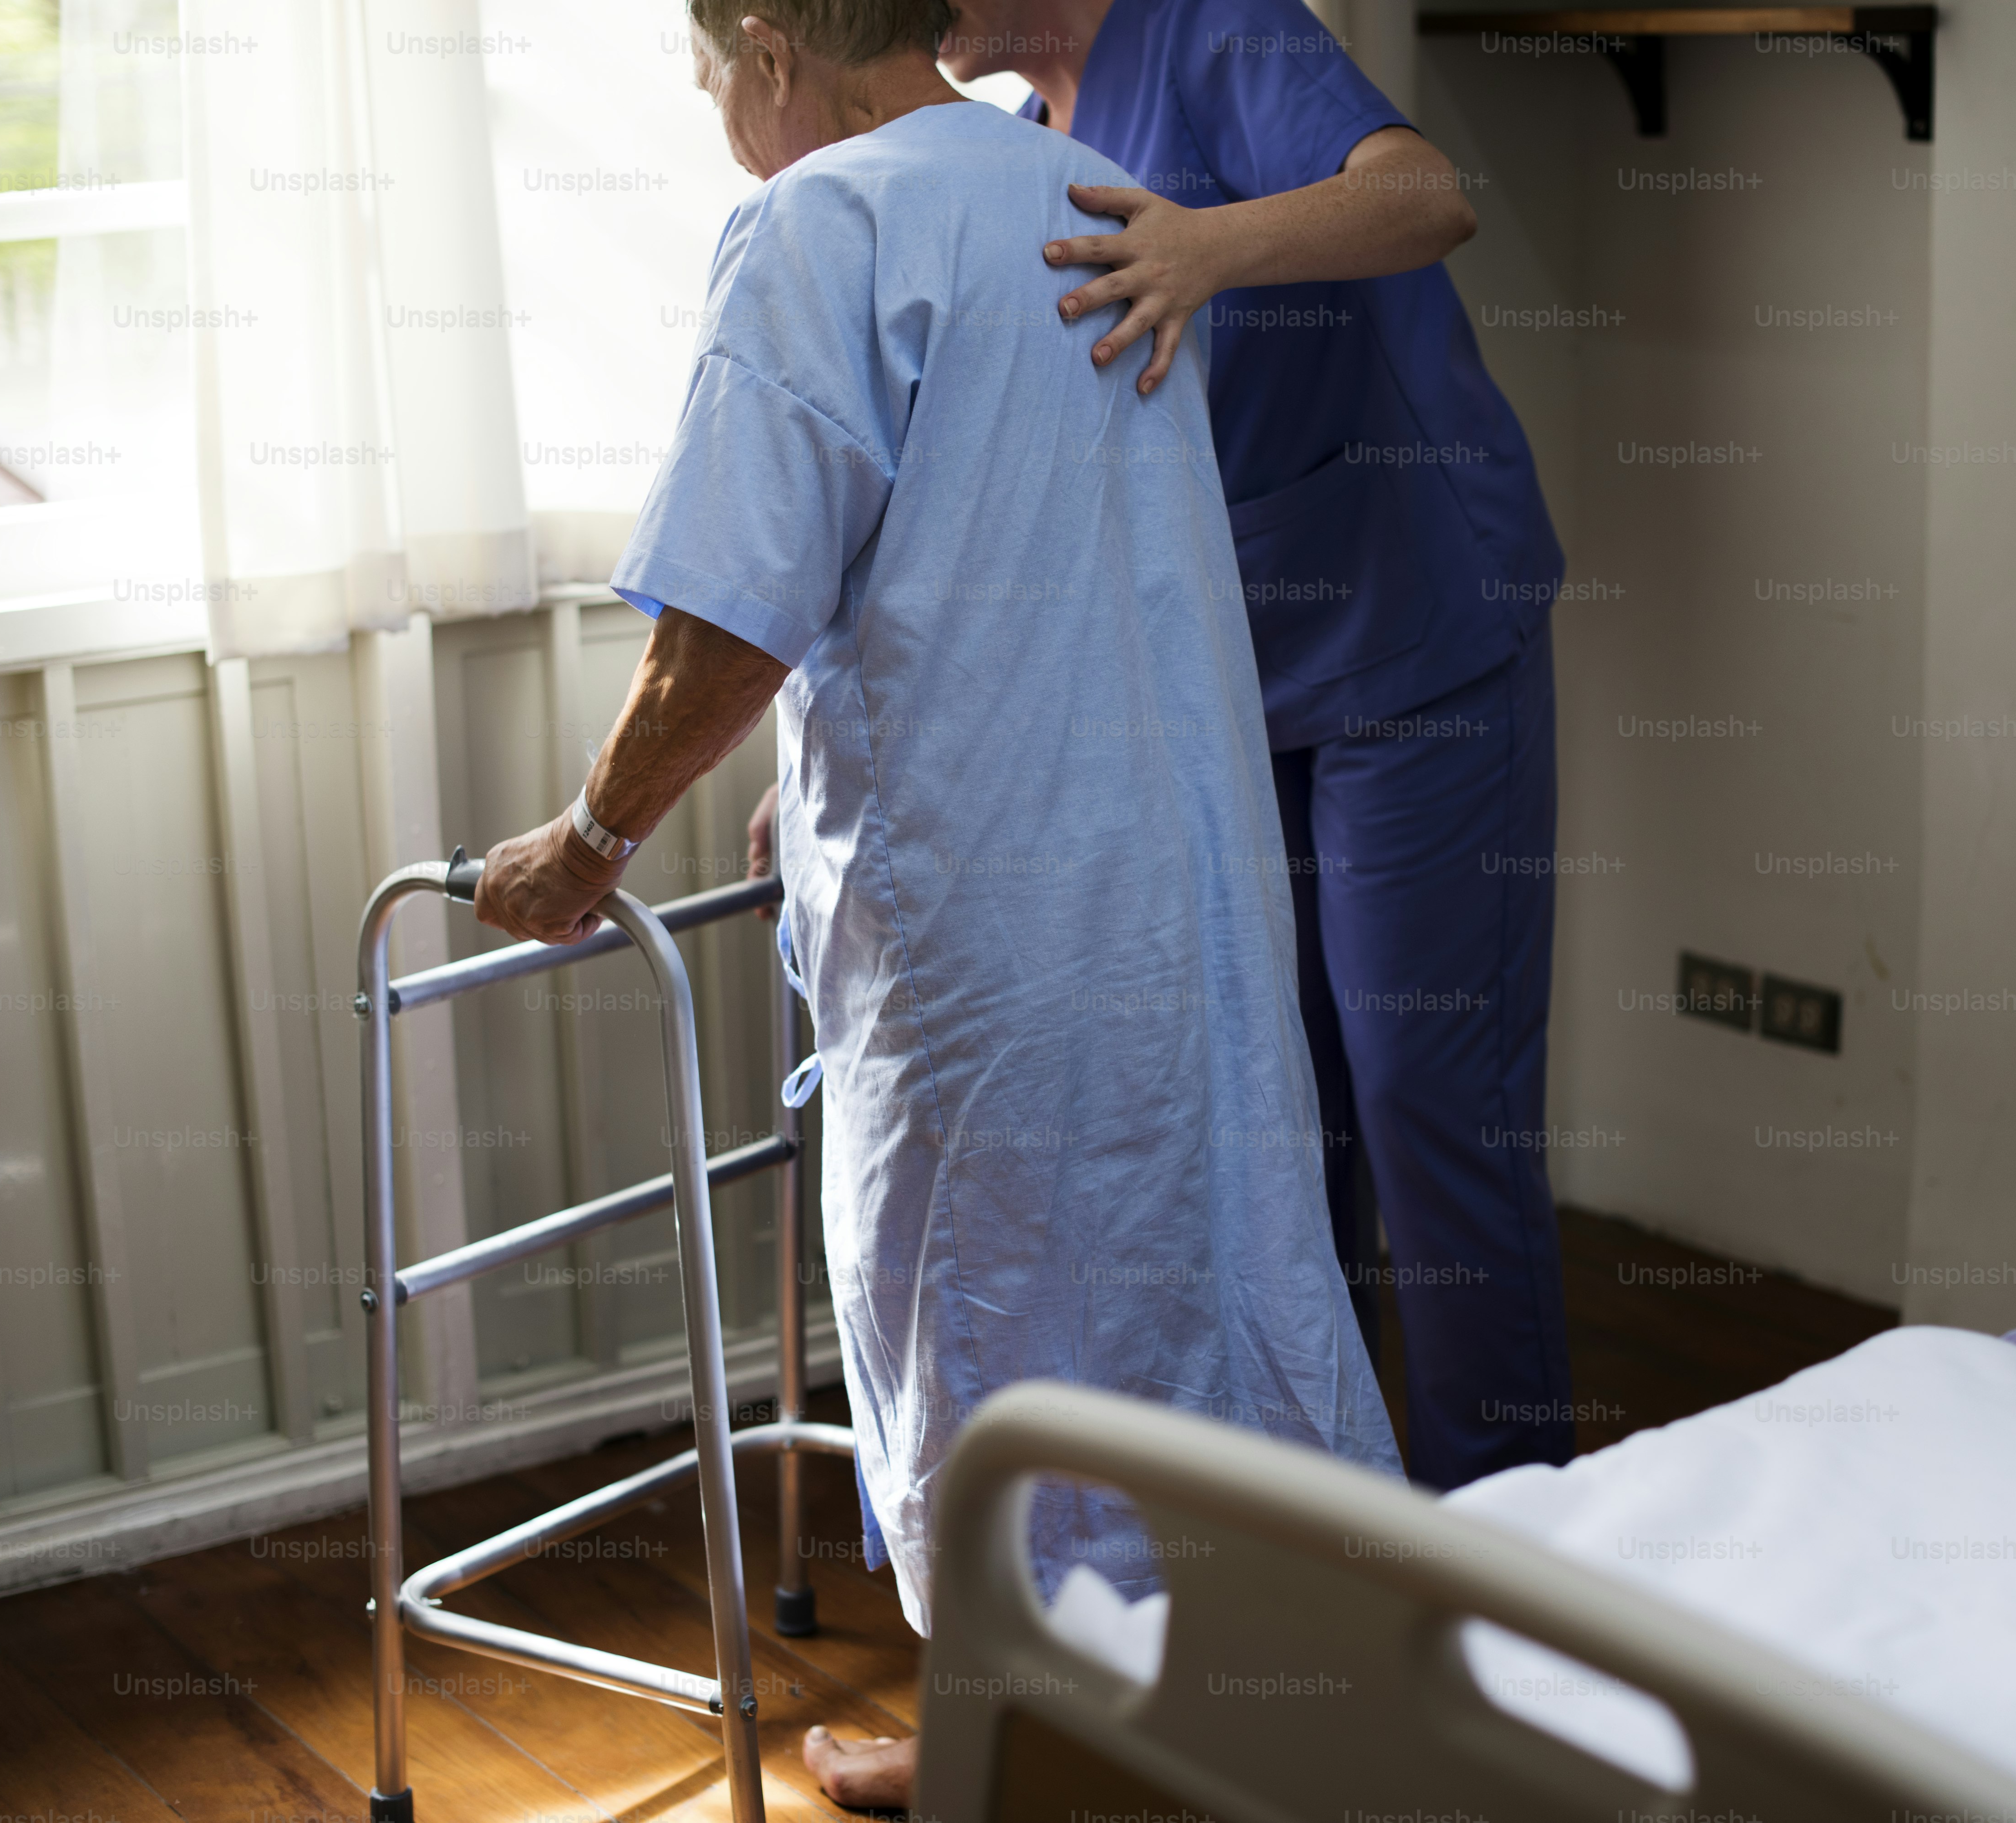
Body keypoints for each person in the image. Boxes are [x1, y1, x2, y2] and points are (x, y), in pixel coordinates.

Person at [468, 0, 1401, 1806]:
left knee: (991, 1311)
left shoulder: (818, 221)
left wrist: (589, 839)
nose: (719, 120)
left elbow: (732, 609)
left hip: (991, 909)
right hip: (1168, 867)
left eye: (705, 76)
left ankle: (1014, 1735)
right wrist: (802, 793)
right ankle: (1236, 1688)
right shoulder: (1087, 184)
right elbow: (1004, 550)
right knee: (1198, 1265)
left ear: (764, 45)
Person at [941, 0, 1578, 1490]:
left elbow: (1425, 196)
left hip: (1418, 637)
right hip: (1242, 686)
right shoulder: (1028, 144)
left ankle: (1524, 1575)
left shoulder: (1212, 27)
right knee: (1284, 1149)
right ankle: (1341, 1560)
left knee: (1437, 1121)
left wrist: (1204, 247)